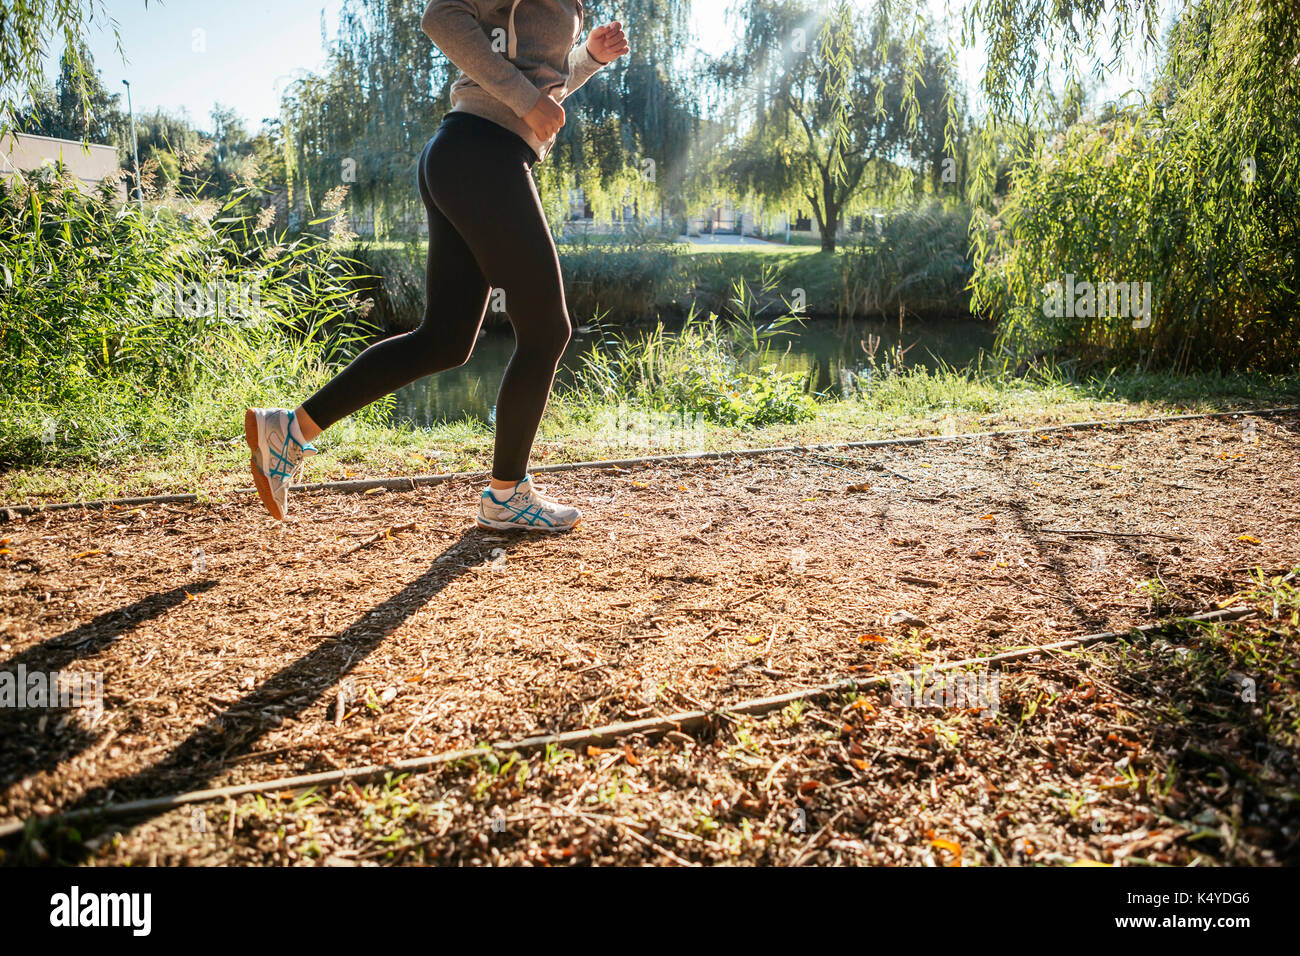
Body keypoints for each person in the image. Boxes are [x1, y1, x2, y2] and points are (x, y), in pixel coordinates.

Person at [245, 1, 629, 531]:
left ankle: (289, 430)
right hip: (482, 155)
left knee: (445, 340)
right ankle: (506, 495)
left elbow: (543, 87)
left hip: (470, 156)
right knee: (547, 330)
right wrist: (525, 100)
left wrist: (587, 57)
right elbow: (441, 17)